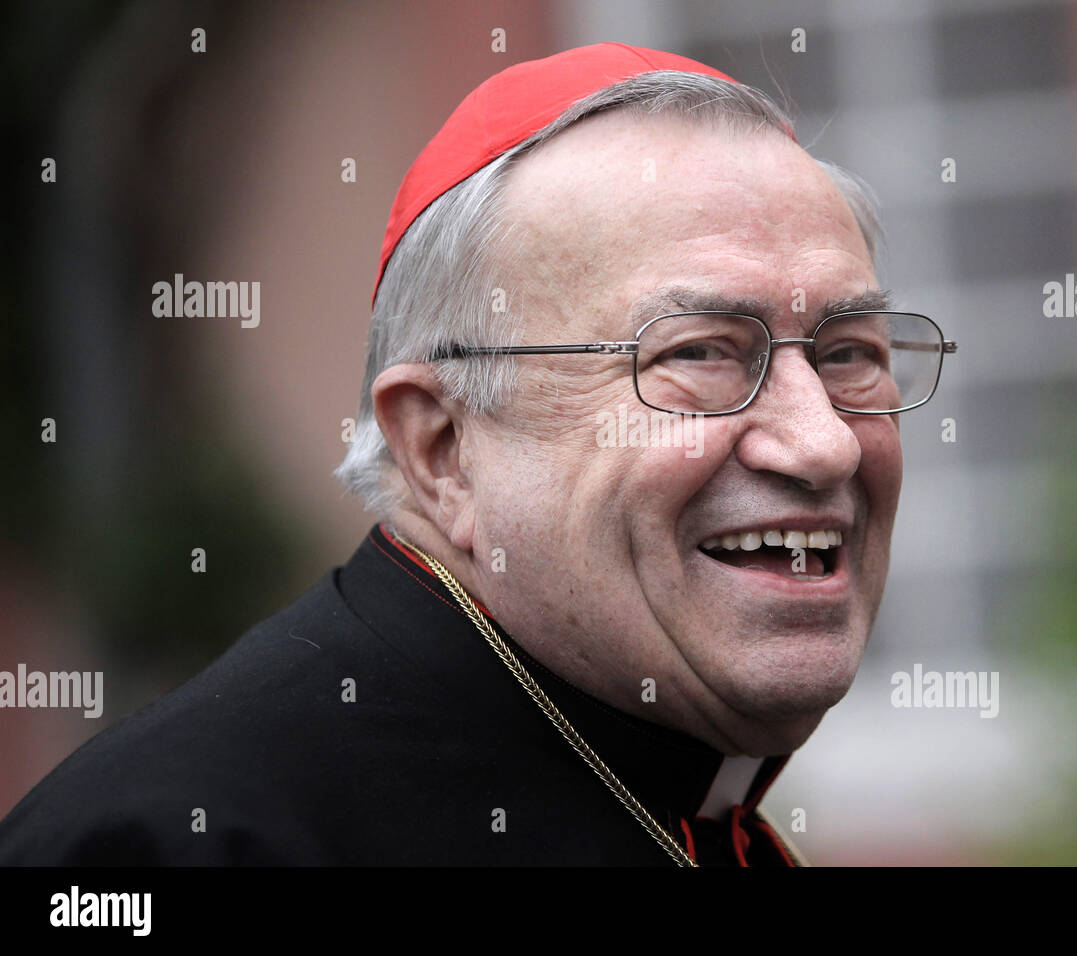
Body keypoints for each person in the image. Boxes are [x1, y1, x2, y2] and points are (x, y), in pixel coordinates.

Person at [0, 42, 954, 866]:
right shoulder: (177, 846)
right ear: (443, 447)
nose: (822, 441)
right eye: (698, 353)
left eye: (848, 355)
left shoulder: (696, 800)